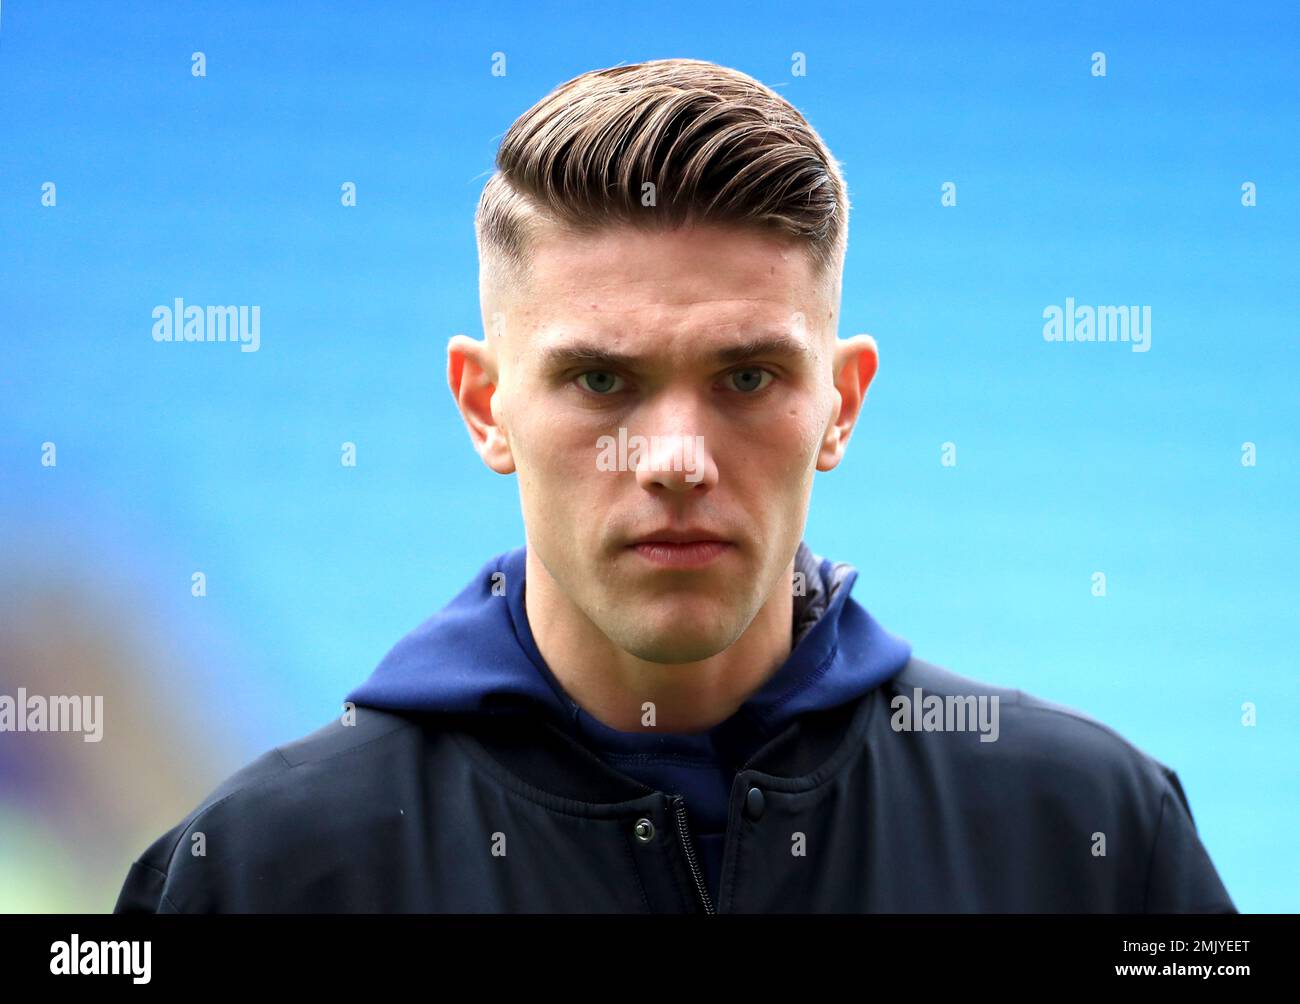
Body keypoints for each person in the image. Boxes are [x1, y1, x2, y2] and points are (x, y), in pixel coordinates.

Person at [114, 58, 1235, 913]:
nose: (676, 458)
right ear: (482, 404)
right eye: (602, 379)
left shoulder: (1090, 832)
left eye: (747, 375)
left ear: (840, 404)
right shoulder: (259, 870)